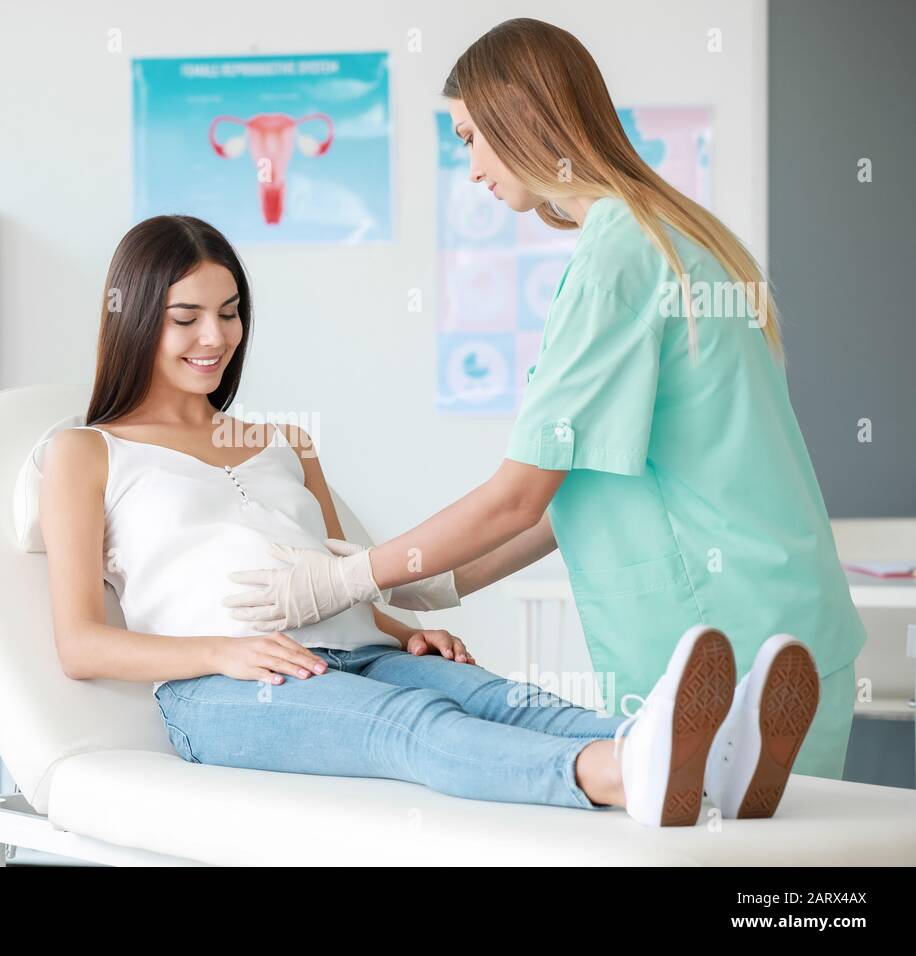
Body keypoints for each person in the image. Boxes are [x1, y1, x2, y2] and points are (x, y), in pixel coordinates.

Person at [224, 18, 859, 797]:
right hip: (784, 618)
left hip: (724, 646)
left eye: (468, 137)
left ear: (520, 116)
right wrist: (435, 585)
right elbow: (578, 493)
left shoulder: (617, 255)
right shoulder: (674, 233)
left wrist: (346, 579)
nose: (471, 169)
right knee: (785, 860)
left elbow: (518, 494)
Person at [40, 214, 813, 827]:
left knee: (510, 700)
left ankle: (713, 758)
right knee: (414, 722)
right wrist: (226, 651)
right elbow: (80, 644)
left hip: (354, 653)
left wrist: (396, 628)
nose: (216, 338)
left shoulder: (286, 442)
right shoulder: (86, 452)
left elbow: (330, 577)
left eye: (230, 313)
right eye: (187, 318)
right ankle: (621, 775)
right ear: (137, 317)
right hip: (220, 691)